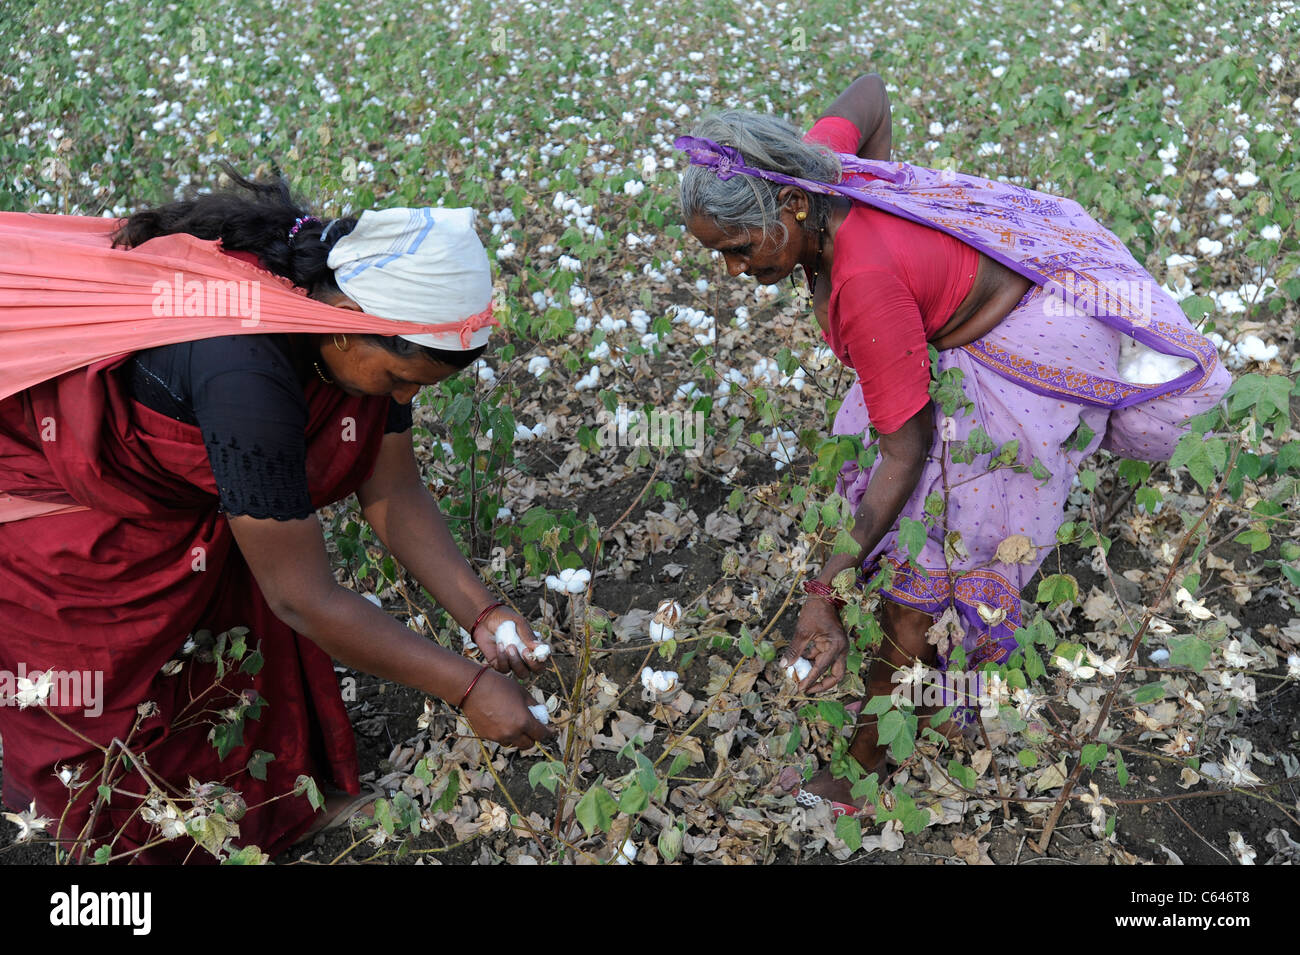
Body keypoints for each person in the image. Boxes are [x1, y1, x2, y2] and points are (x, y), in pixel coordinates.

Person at [676, 74, 1230, 815]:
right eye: (720, 255)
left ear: (794, 205)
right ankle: (926, 699)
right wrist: (894, 210)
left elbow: (907, 450)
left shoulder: (864, 279)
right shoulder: (814, 166)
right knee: (906, 534)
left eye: (741, 249)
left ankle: (863, 774)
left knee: (925, 580)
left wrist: (821, 597)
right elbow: (868, 92)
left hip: (1016, 353)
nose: (734, 271)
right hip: (984, 307)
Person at [0, 169, 554, 862]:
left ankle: (261, 816)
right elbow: (302, 597)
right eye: (402, 377)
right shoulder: (245, 371)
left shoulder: (354, 340)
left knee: (222, 662)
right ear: (350, 320)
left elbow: (395, 493)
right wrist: (466, 686)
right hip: (72, 504)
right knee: (107, 703)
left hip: (183, 493)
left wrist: (483, 612)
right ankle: (117, 843)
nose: (404, 395)